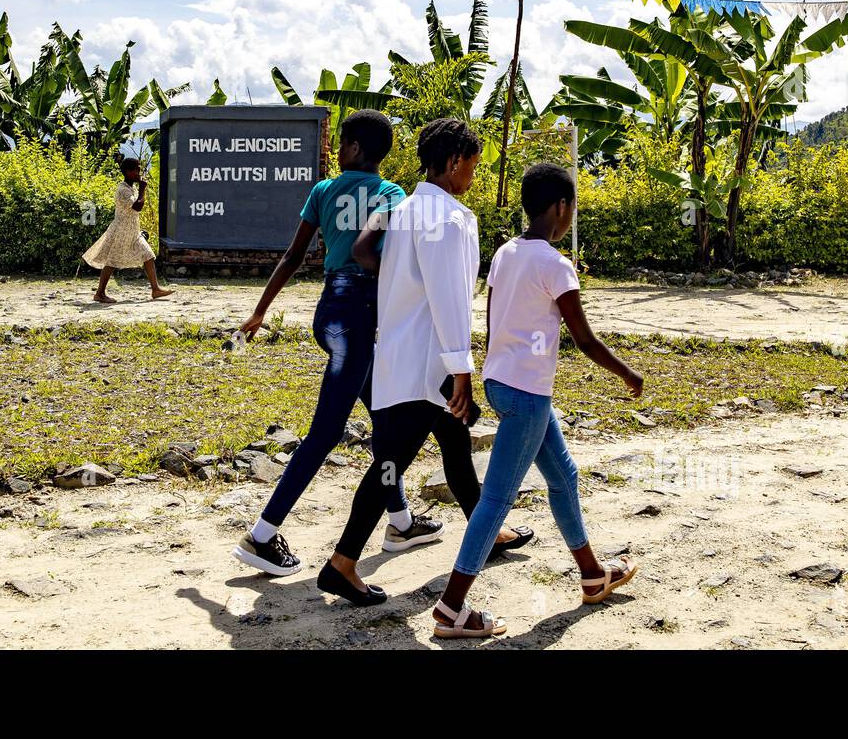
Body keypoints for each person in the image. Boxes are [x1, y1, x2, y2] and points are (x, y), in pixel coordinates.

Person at [316, 117, 531, 607]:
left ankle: (488, 533)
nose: (472, 177)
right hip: (428, 367)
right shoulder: (447, 218)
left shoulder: (406, 209)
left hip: (405, 358)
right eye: (472, 167)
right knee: (389, 464)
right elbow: (449, 298)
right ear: (454, 162)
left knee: (454, 447)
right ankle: (342, 563)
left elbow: (378, 261)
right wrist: (462, 371)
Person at [431, 163, 644, 639]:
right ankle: (451, 607)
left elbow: (491, 318)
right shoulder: (555, 264)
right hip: (527, 394)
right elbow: (584, 340)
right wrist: (627, 373)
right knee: (497, 499)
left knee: (563, 475)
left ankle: (592, 574)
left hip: (502, 383)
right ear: (562, 208)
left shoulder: (506, 253)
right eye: (571, 210)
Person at [232, 110, 444, 577]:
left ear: (351, 147)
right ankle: (262, 535)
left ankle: (401, 521)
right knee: (327, 432)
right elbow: (390, 259)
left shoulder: (323, 191)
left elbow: (293, 255)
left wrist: (261, 310)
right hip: (362, 319)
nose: (336, 151)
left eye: (341, 144)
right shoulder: (392, 194)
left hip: (331, 312)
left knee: (385, 426)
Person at [83, 157, 172, 303]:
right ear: (128, 172)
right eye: (137, 169)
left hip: (132, 231)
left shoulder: (131, 187)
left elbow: (134, 211)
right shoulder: (123, 190)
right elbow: (137, 207)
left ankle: (155, 289)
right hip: (121, 232)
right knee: (111, 262)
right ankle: (99, 293)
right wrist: (143, 189)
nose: (139, 172)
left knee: (148, 256)